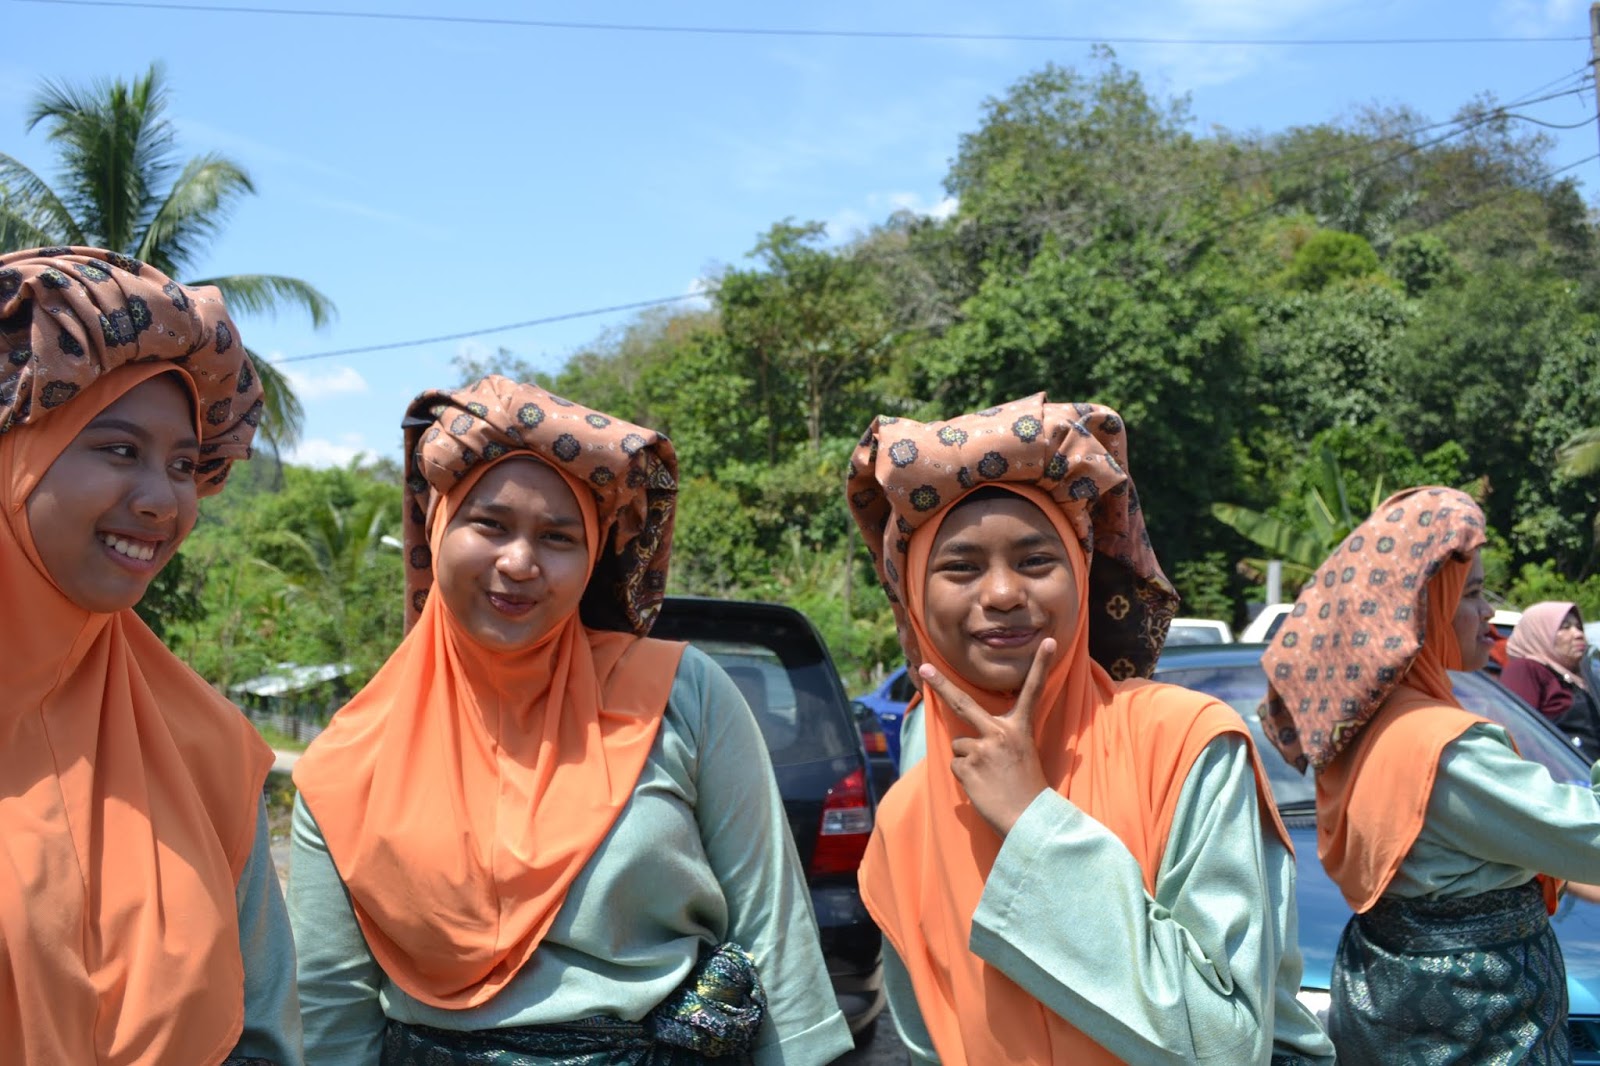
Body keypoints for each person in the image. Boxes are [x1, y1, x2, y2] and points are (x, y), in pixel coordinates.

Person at [288, 376, 852, 1065]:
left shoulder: (682, 694)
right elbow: (330, 1012)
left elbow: (772, 932)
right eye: (489, 524)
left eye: (558, 536)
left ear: (593, 558)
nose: (519, 562)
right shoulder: (349, 759)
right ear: (437, 528)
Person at [846, 394, 1334, 1065]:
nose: (1002, 594)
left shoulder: (1185, 744)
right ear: (913, 596)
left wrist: (1034, 825)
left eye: (1035, 561)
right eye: (959, 567)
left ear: (1080, 575)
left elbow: (1224, 1042)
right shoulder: (905, 819)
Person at [0, 247, 300, 1064]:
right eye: (119, 450)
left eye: (184, 465)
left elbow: (263, 1033)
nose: (164, 501)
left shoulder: (204, 747)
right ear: (15, 450)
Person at [1260, 486, 1600, 1062]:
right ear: (1420, 612)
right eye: (1472, 594)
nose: (1489, 613)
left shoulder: (1367, 725)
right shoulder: (1445, 746)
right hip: (1481, 1024)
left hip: (1397, 1007)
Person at [1502, 601, 1600, 756]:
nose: (1578, 634)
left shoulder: (1581, 674)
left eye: (1578, 627)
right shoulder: (1526, 669)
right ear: (1539, 633)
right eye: (1565, 627)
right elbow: (1518, 733)